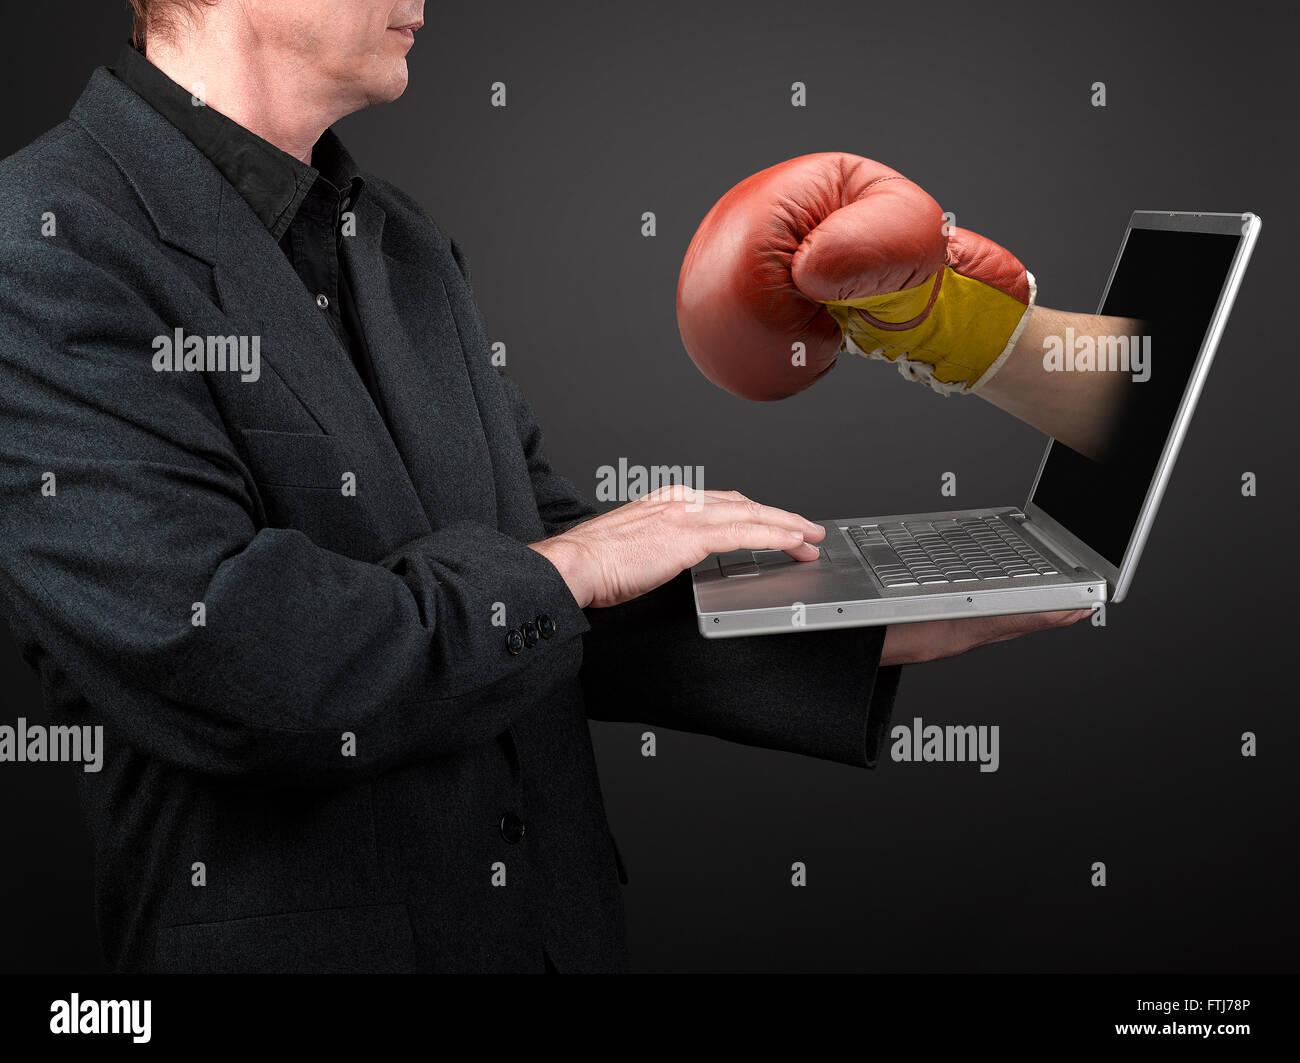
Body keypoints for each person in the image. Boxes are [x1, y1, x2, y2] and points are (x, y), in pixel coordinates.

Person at [0, 0, 1085, 973]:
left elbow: (546, 593)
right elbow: (228, 648)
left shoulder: (402, 241)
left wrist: (858, 603)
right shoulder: (44, 243)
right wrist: (568, 565)